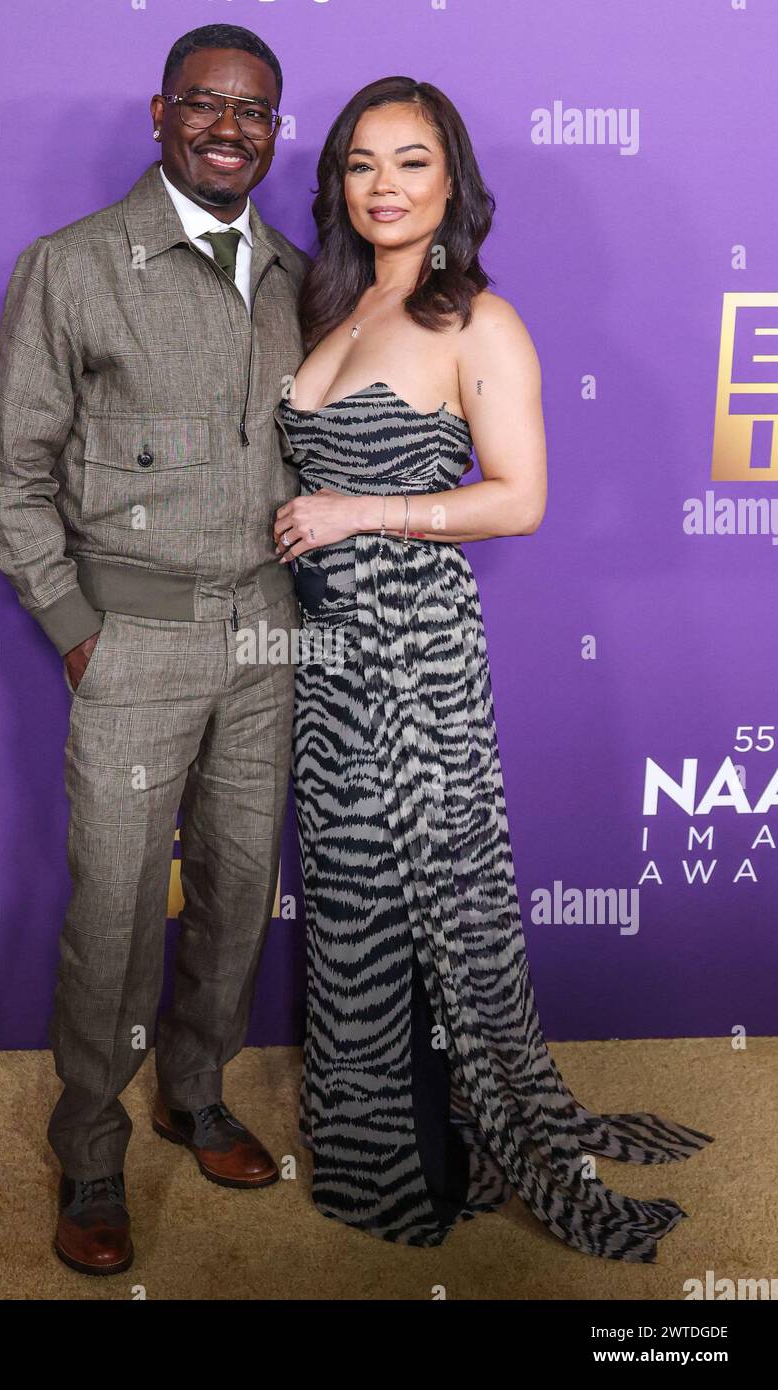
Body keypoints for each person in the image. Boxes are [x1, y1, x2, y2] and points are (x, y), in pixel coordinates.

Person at [273, 76, 713, 1262]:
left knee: (426, 904)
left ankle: (419, 1169)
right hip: (323, 668)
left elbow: (521, 500)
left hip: (415, 660)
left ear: (452, 181)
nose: (384, 188)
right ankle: (375, 1154)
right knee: (359, 909)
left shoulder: (481, 320)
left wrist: (363, 509)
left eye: (410, 163)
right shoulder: (332, 306)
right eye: (361, 165)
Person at [0, 23, 310, 1275]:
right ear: (160, 113)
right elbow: (7, 475)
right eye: (208, 105)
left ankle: (198, 1091)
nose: (231, 128)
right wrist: (75, 630)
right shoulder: (70, 267)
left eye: (256, 112)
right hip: (133, 642)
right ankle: (93, 1149)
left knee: (236, 884)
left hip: (269, 637)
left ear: (277, 130)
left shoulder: (295, 274)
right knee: (113, 909)